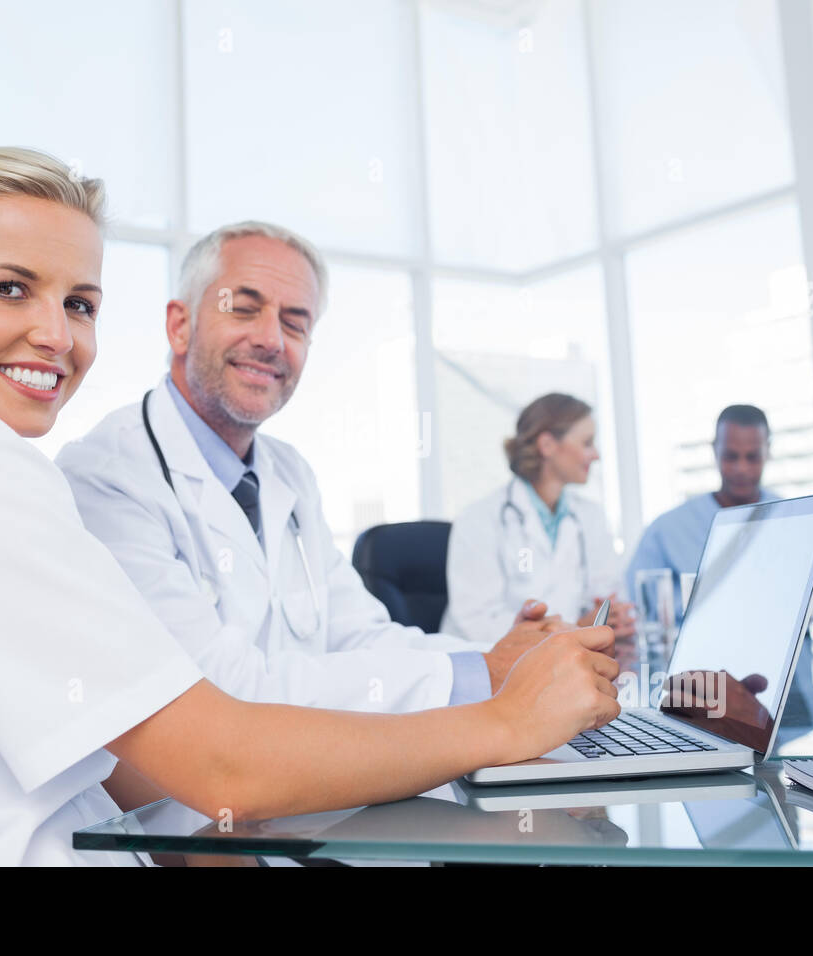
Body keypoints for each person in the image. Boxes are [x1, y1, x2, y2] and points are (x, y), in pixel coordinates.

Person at [0, 147, 621, 866]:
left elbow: (107, 758)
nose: (55, 333)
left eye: (79, 303)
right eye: (10, 288)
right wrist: (501, 721)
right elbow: (220, 757)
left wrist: (481, 685)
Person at [56, 223, 559, 714]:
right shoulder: (108, 477)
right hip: (181, 801)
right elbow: (220, 694)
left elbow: (358, 636)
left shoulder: (289, 474)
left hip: (317, 786)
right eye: (244, 308)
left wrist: (502, 663)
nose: (272, 339)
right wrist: (481, 674)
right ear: (179, 325)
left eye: (295, 321)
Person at [442, 393, 632, 646]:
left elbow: (609, 594)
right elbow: (477, 622)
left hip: (569, 661)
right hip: (492, 667)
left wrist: (614, 616)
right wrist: (574, 628)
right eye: (587, 443)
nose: (595, 455)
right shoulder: (479, 519)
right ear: (548, 445)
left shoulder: (590, 516)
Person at [624, 404, 778, 614]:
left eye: (752, 457)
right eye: (730, 457)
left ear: (768, 450)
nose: (741, 468)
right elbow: (638, 609)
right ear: (714, 450)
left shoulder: (798, 521)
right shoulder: (666, 530)